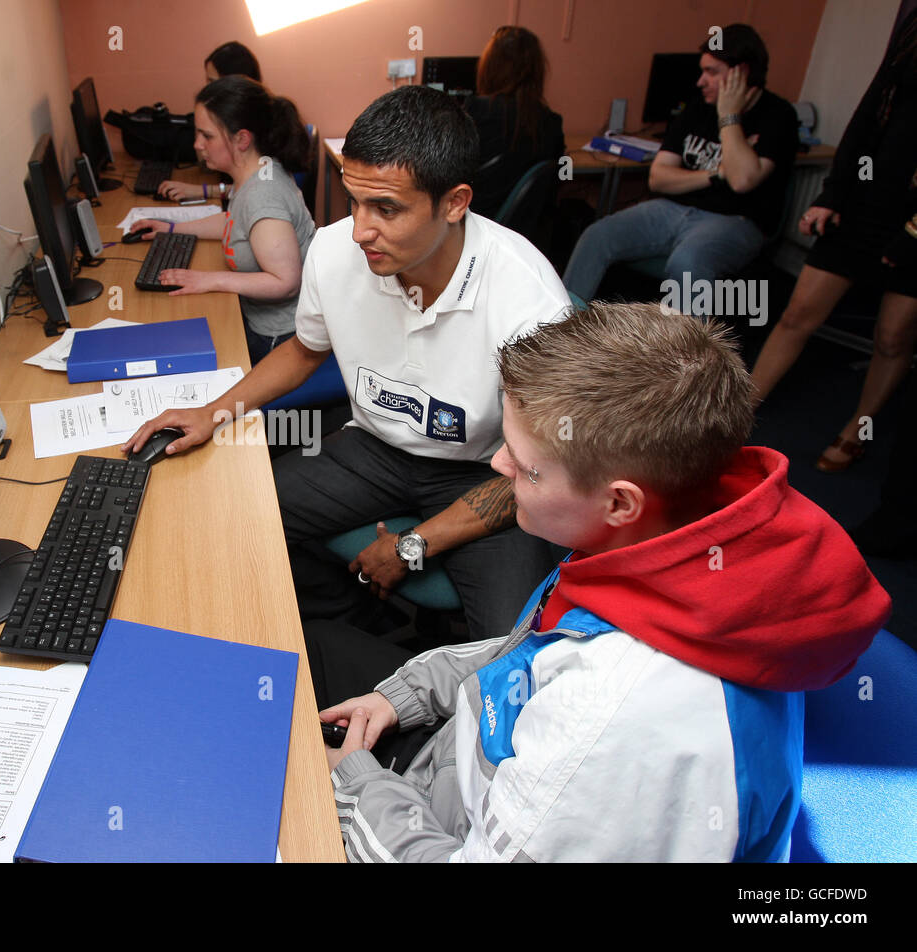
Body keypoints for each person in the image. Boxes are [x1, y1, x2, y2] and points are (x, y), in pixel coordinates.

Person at [313, 300, 890, 862]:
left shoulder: (609, 716)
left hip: (453, 822)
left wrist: (357, 784)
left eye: (523, 461)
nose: (499, 466)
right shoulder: (665, 543)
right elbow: (533, 651)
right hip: (462, 769)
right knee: (309, 652)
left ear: (619, 501)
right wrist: (404, 697)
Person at [124, 85, 570, 641]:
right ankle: (344, 623)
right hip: (376, 448)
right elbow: (303, 350)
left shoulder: (528, 300)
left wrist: (412, 546)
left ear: (454, 203)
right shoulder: (337, 253)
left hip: (485, 471)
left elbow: (537, 471)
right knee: (236, 522)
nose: (359, 230)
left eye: (386, 208)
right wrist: (211, 412)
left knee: (512, 644)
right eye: (354, 200)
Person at [749, 9, 917, 472]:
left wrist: (911, 237)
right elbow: (865, 123)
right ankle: (736, 413)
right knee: (798, 313)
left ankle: (856, 428)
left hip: (916, 220)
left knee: (892, 336)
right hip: (866, 202)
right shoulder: (908, 33)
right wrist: (833, 193)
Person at [562, 24, 799, 305]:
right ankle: (561, 329)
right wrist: (716, 174)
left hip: (735, 221)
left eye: (711, 72)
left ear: (742, 72)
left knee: (688, 261)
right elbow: (658, 178)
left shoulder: (778, 115)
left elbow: (742, 180)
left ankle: (685, 350)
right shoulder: (698, 108)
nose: (700, 81)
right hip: (672, 208)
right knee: (596, 236)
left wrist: (729, 117)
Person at [129, 77, 316, 364]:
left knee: (177, 351)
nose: (197, 145)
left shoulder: (262, 194)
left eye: (207, 136)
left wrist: (210, 279)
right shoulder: (253, 173)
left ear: (241, 139)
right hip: (260, 320)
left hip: (281, 339)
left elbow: (286, 281)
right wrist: (172, 228)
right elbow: (235, 222)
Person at [466, 25, 565, 220]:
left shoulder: (475, 111)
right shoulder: (551, 122)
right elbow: (562, 175)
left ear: (489, 67)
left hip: (472, 223)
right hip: (521, 233)